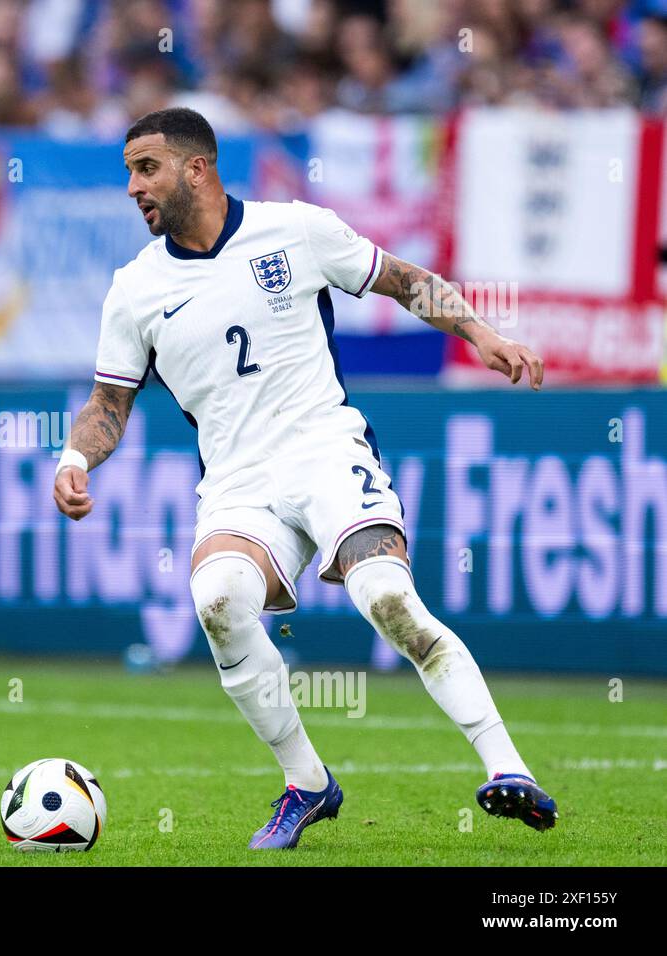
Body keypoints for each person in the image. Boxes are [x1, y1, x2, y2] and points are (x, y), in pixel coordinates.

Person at [52, 107, 556, 850]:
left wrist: (480, 332)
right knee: (218, 600)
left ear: (198, 168)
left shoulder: (296, 230)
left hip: (325, 450)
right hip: (237, 482)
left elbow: (403, 280)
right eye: (127, 171)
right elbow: (108, 403)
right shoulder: (134, 288)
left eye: (146, 167)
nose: (133, 186)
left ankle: (509, 769)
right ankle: (308, 784)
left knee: (388, 599)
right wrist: (73, 460)